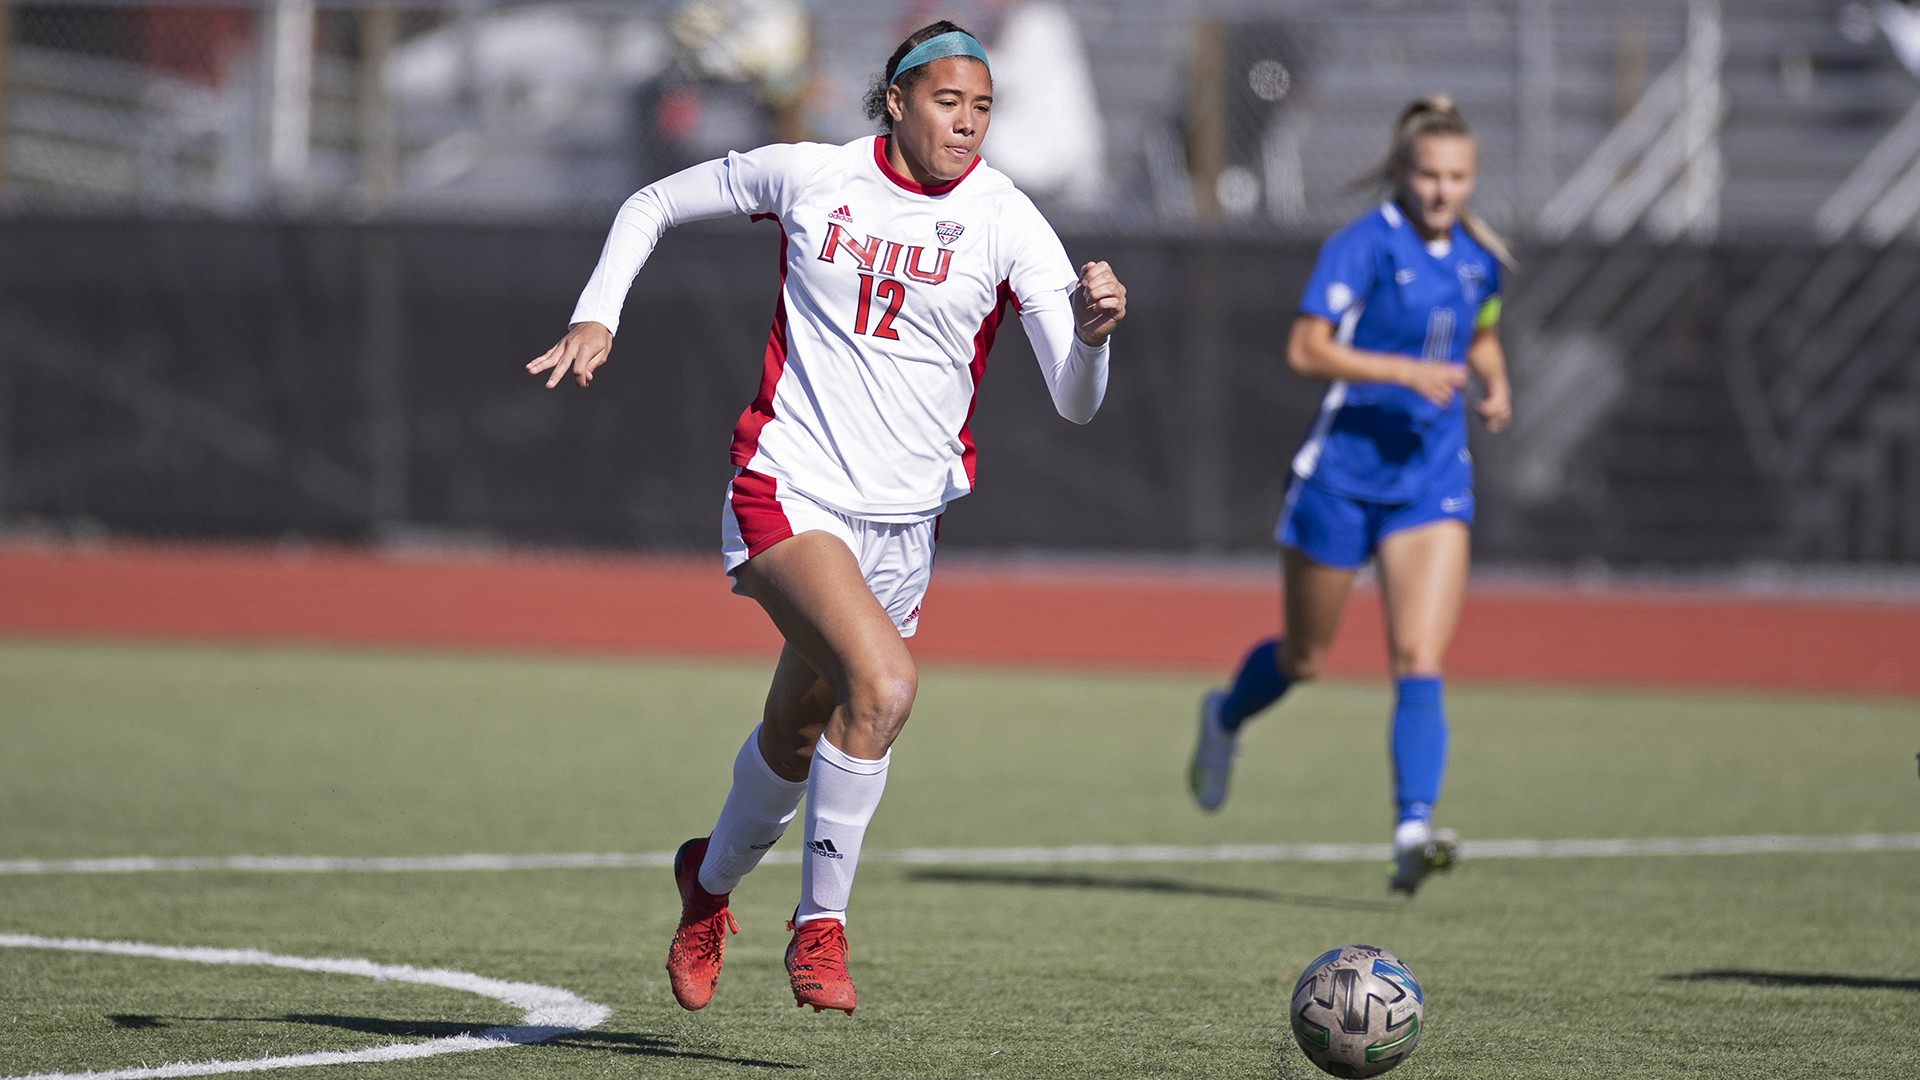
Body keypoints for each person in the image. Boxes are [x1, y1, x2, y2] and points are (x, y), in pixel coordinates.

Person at [530, 21, 1126, 1014]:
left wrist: (1096, 338)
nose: (967, 123)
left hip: (903, 525)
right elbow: (652, 202)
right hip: (789, 484)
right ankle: (821, 930)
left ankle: (706, 886)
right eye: (947, 101)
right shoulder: (815, 175)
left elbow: (1075, 400)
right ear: (894, 101)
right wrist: (600, 311)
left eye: (982, 107)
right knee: (884, 688)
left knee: (800, 731)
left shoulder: (1007, 219)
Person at [1185, 97, 1512, 897]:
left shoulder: (1481, 258)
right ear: (1401, 172)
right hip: (1340, 479)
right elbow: (1307, 348)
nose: (1442, 190)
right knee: (1305, 658)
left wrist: (1496, 383)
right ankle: (1224, 716)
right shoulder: (1362, 245)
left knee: (1419, 655)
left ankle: (1412, 831)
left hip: (1429, 481)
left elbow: (1480, 333)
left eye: (1457, 177)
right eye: (1429, 175)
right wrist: (1402, 371)